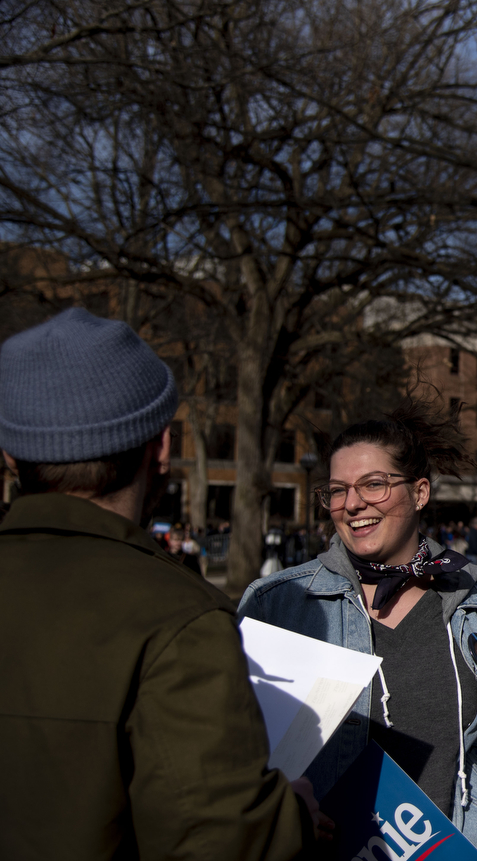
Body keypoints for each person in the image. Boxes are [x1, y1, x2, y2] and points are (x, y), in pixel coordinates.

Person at [0, 307, 322, 859]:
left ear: (10, 457)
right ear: (162, 449)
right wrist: (295, 817)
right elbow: (222, 842)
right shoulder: (179, 617)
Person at [238, 399, 477, 861]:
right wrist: (279, 811)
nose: (352, 504)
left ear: (420, 493)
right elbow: (231, 740)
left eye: (374, 484)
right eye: (337, 490)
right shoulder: (279, 604)